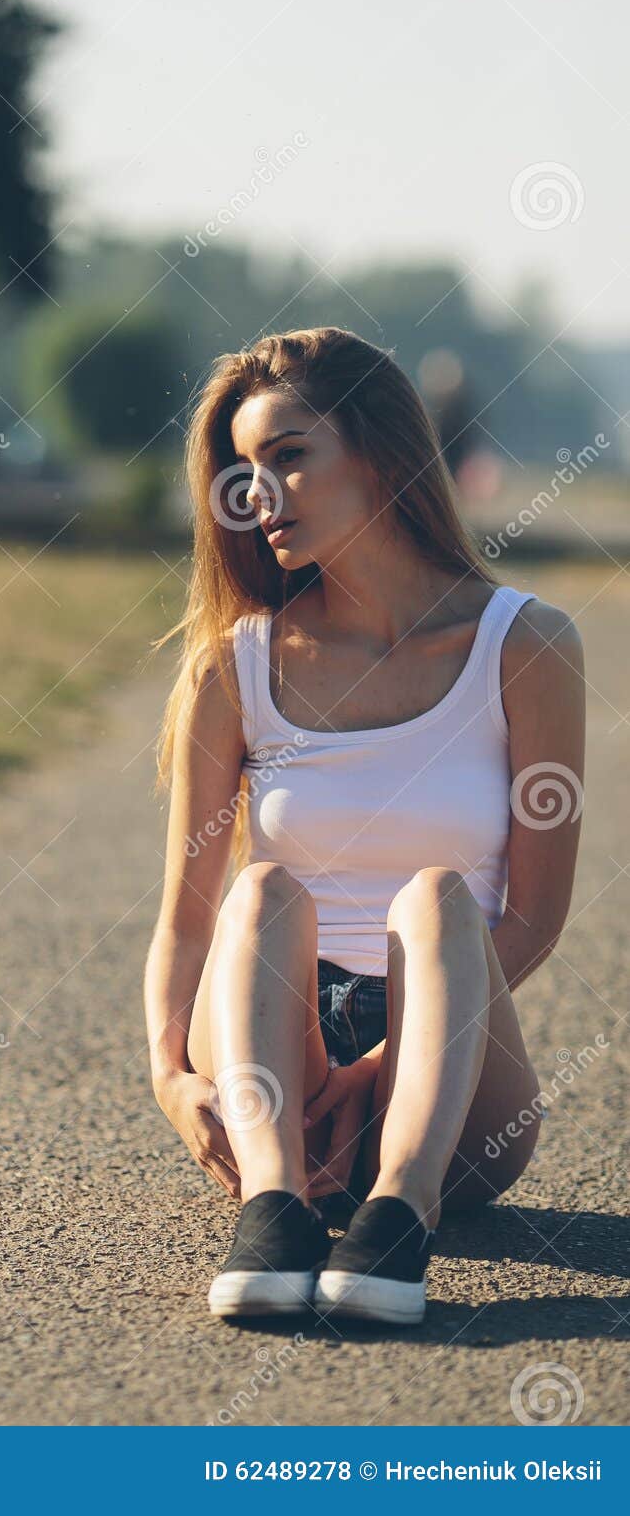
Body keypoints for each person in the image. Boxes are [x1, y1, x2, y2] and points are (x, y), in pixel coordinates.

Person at [143, 328, 585, 1325]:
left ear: (379, 450)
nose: (255, 495)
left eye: (288, 456)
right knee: (258, 888)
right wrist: (170, 1079)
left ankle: (399, 1211)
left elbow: (532, 914)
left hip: (446, 1065)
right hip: (276, 1065)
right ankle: (272, 1208)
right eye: (243, 471)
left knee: (436, 895)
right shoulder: (234, 663)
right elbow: (187, 915)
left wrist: (384, 1065)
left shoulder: (523, 644)